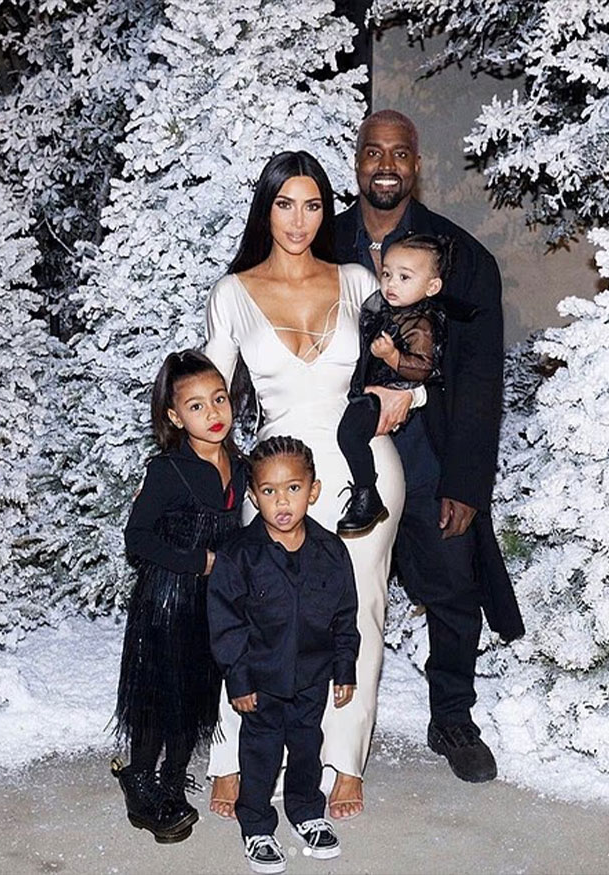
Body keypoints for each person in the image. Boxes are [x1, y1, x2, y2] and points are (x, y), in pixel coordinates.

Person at [205, 150, 409, 820]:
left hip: (361, 468)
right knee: (255, 612)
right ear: (266, 208)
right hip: (278, 472)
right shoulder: (233, 292)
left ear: (327, 209)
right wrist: (199, 475)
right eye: (285, 203)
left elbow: (409, 351)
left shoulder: (355, 279)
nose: (299, 219)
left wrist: (400, 395)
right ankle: (234, 755)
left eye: (313, 204)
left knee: (359, 614)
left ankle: (344, 761)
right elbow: (210, 394)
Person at [335, 109, 525, 783]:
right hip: (345, 456)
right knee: (330, 592)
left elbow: (479, 377)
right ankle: (318, 715)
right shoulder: (321, 244)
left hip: (430, 456)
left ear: (416, 165)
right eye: (373, 151)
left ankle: (452, 715)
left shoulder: (460, 257)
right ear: (356, 160)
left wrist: (467, 482)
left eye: (401, 153)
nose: (386, 163)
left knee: (452, 590)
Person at [111, 349, 247, 842]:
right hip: (166, 603)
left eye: (219, 400)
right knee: (158, 697)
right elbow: (138, 538)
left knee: (195, 696)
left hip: (211, 609)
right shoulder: (169, 470)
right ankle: (142, 778)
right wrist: (201, 562)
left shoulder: (242, 465)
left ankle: (173, 779)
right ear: (173, 416)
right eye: (196, 406)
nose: (212, 414)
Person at [208, 436, 360, 873]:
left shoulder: (332, 552)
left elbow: (345, 615)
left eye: (293, 488)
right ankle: (255, 823)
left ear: (313, 490)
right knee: (260, 754)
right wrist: (238, 680)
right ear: (254, 496)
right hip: (261, 682)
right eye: (269, 491)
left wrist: (344, 666)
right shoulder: (239, 555)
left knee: (308, 747)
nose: (282, 501)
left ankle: (306, 811)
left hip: (312, 677)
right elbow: (226, 623)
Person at [336, 232, 475, 538]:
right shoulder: (386, 308)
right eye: (386, 274)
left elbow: (424, 367)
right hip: (369, 390)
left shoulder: (421, 321)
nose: (391, 283)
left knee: (349, 433)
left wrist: (393, 356)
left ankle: (366, 494)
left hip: (394, 394)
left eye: (404, 277)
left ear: (432, 286)